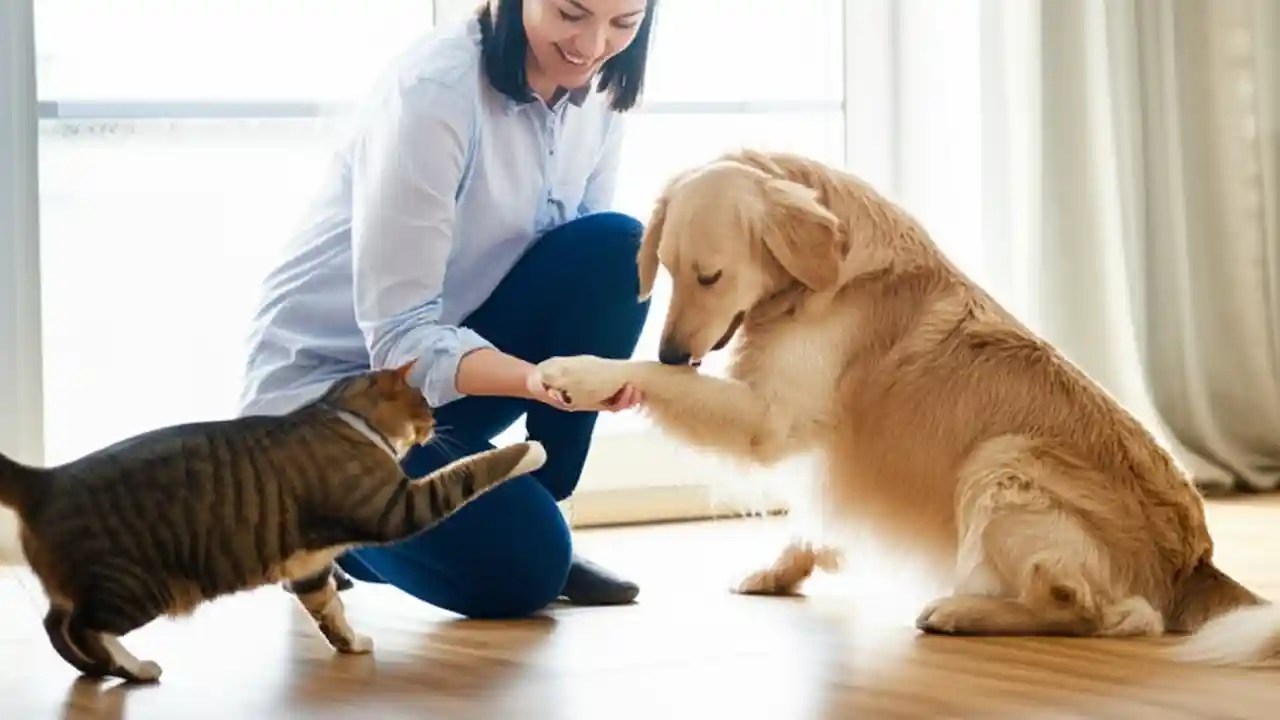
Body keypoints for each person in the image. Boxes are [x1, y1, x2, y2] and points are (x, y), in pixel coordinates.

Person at [237, 0, 659, 618]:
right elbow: (401, 337)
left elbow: (580, 271)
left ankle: (529, 507)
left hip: (431, 389)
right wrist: (535, 380)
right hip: (326, 405)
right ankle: (308, 515)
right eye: (572, 13)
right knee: (524, 567)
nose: (593, 45)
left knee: (620, 252)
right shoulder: (435, 92)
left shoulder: (593, 91)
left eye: (624, 23)